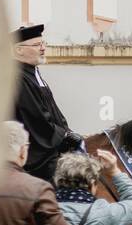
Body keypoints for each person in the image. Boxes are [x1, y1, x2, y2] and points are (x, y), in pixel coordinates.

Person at [13, 24, 84, 183]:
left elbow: (53, 112)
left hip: (52, 145)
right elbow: (35, 119)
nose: (43, 48)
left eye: (43, 43)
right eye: (37, 45)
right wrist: (64, 136)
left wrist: (68, 131)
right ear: (19, 50)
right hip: (36, 157)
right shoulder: (17, 77)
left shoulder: (32, 73)